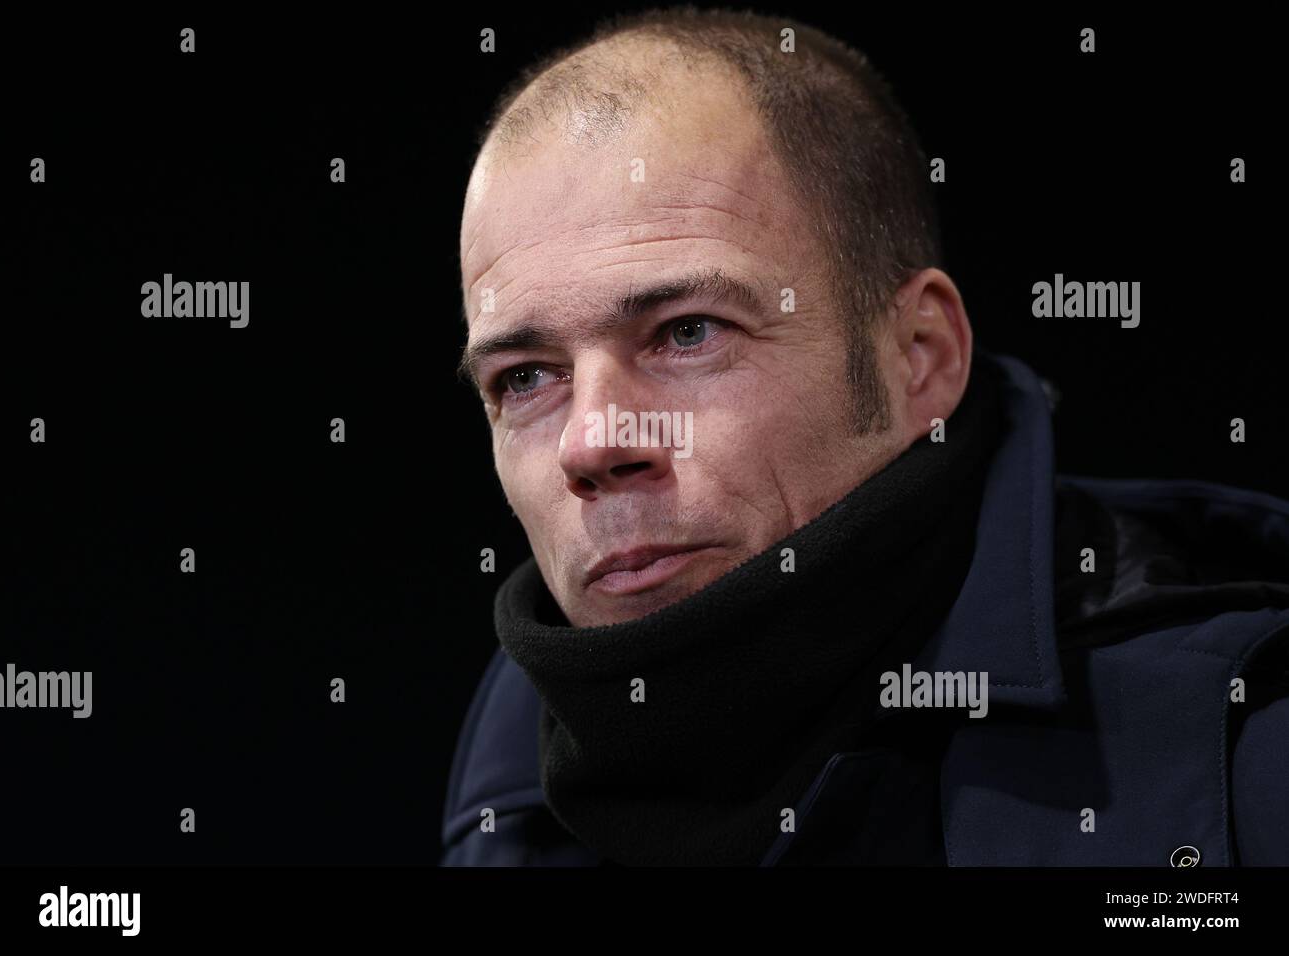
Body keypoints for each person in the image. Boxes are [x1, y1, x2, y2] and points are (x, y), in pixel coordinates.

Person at [441, 7, 1289, 866]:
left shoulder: (1240, 751)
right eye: (525, 377)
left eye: (687, 331)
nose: (590, 443)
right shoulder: (509, 771)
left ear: (919, 356)